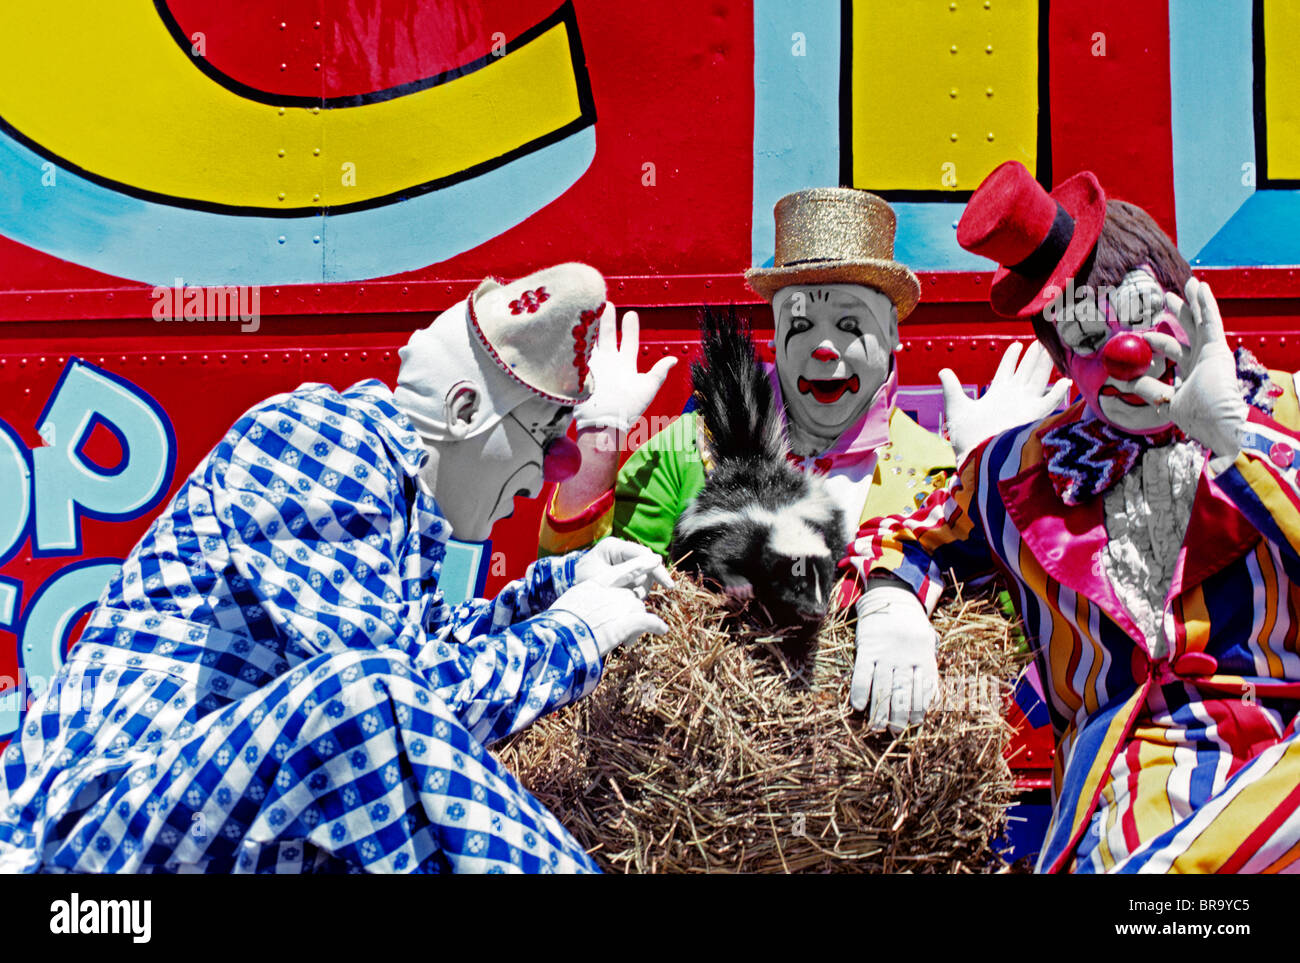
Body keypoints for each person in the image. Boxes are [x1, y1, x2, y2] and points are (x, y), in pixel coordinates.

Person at [0, 262, 673, 874]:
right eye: (546, 435)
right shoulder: (322, 438)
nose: (551, 470)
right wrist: (569, 636)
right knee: (364, 694)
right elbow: (401, 701)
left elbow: (428, 652)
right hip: (79, 842)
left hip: (192, 832)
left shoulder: (402, 508)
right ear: (465, 410)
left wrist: (564, 586)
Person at [848, 160, 1300, 873]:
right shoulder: (1016, 470)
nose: (1124, 352)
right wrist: (890, 604)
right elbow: (909, 538)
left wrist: (1239, 443)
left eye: (1140, 314)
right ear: (1063, 362)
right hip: (1125, 799)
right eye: (1087, 340)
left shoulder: (1284, 411)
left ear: (1189, 303)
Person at [540, 188, 1068, 731]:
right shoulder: (690, 448)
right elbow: (580, 598)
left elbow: (1020, 640)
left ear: (892, 335)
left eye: (849, 325)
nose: (823, 349)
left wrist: (998, 474)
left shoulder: (941, 475)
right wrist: (597, 447)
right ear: (775, 333)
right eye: (800, 325)